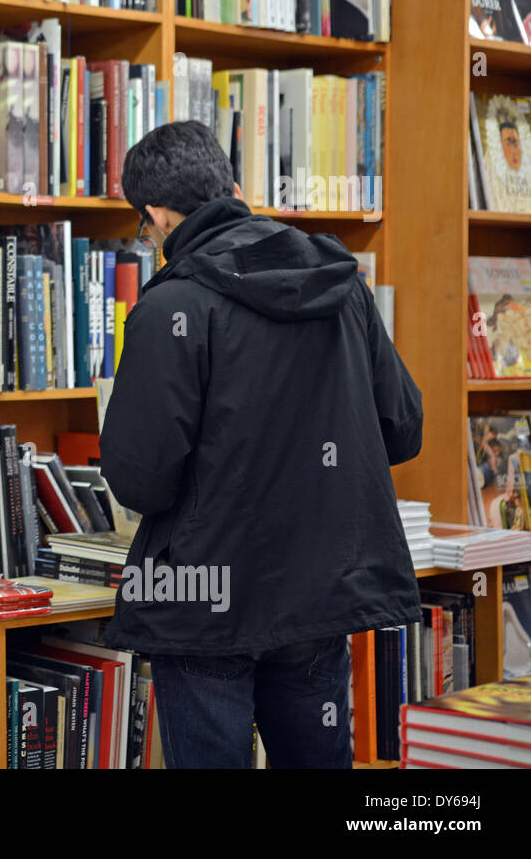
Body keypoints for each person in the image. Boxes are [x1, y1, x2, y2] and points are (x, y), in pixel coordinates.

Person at [98, 120, 424, 769]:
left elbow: (142, 480)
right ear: (234, 187)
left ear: (158, 215)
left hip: (203, 603)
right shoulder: (343, 289)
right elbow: (402, 427)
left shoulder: (171, 309)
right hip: (322, 587)